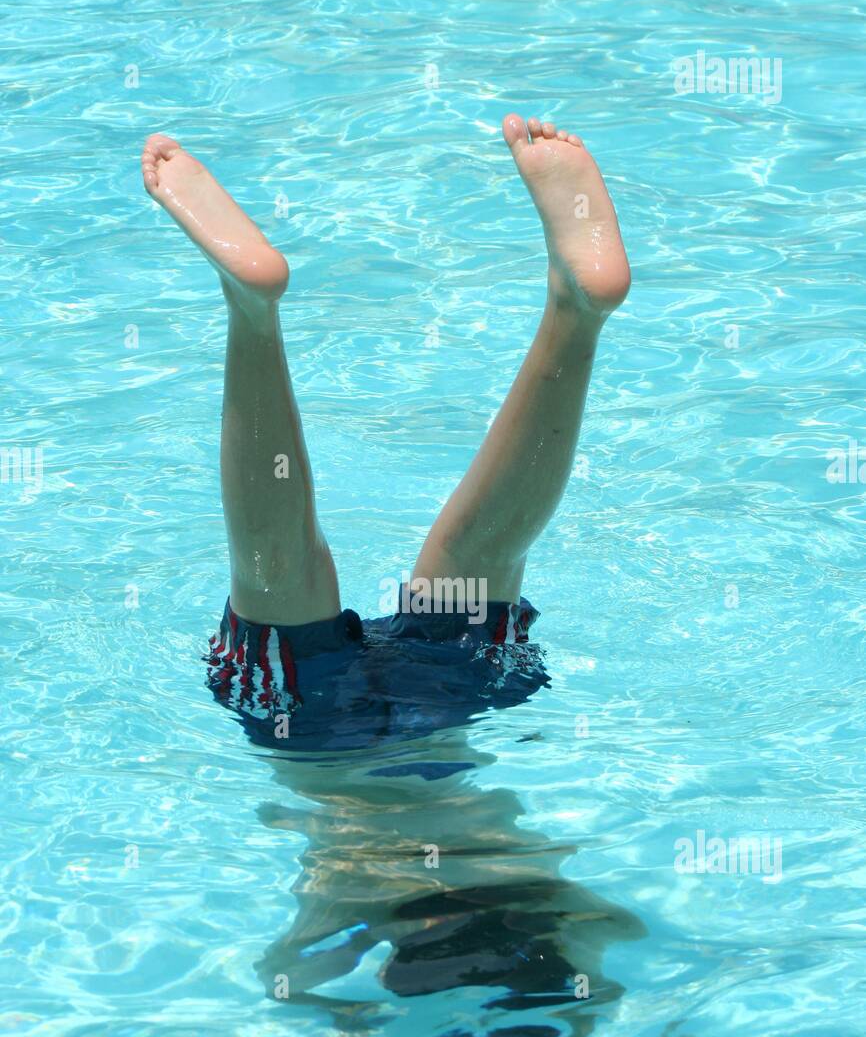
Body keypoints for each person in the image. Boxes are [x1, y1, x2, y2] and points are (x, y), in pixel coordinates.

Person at [141, 114, 630, 755]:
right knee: (287, 573)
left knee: (473, 553)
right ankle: (573, 310)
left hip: (433, 696)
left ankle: (575, 312)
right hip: (417, 703)